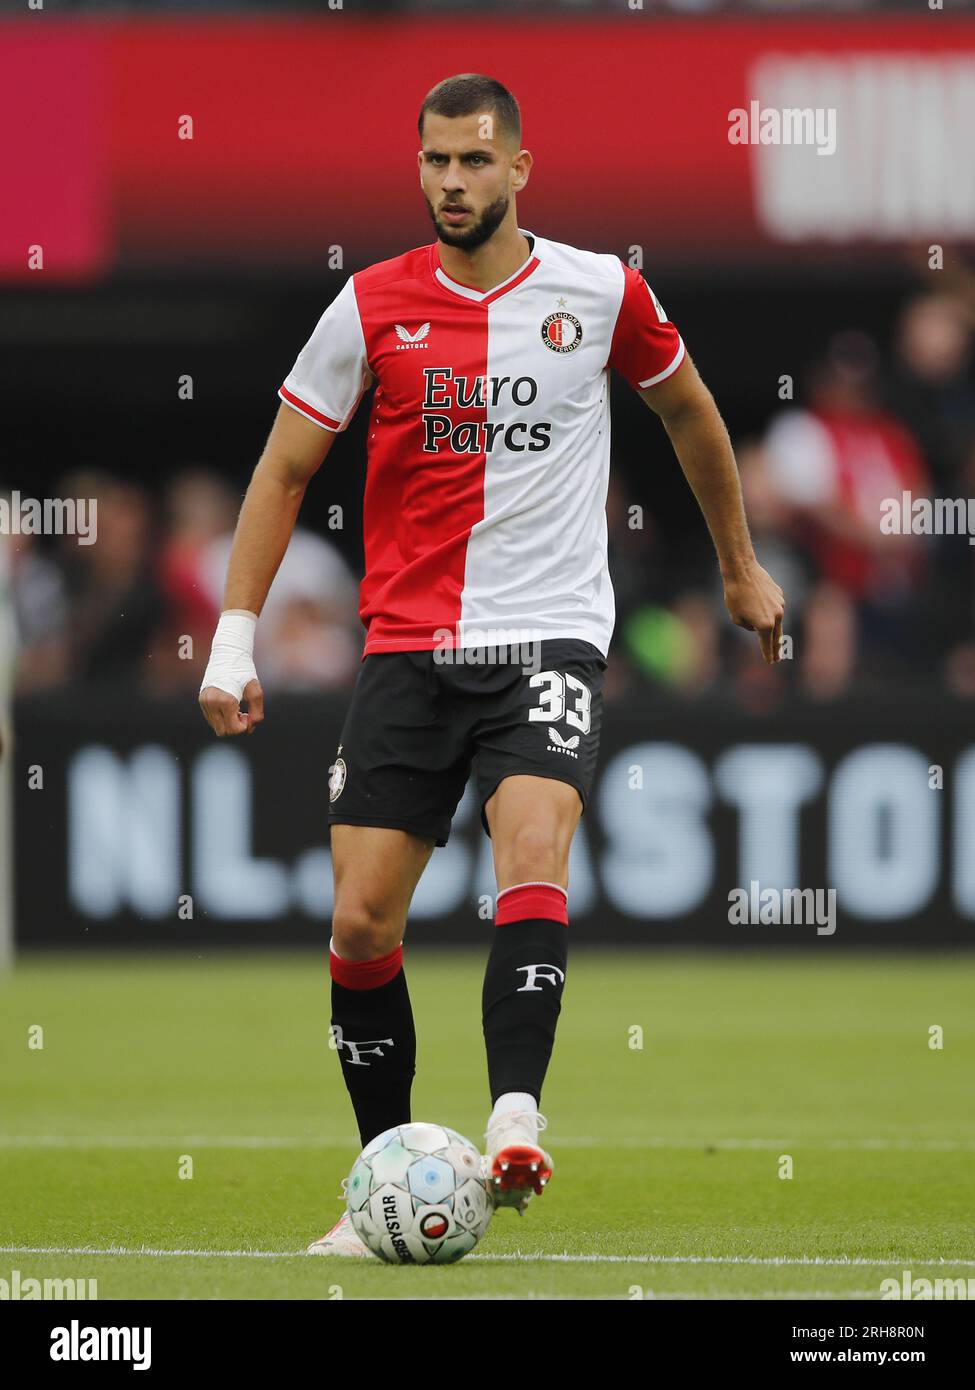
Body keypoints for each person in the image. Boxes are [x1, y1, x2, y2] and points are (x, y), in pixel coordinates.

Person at [198, 73, 784, 1257]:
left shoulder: (601, 290)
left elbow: (693, 415)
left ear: (521, 168)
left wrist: (738, 568)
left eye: (474, 162)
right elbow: (278, 473)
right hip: (409, 646)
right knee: (362, 922)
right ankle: (381, 1184)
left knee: (533, 845)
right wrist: (232, 637)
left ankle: (516, 1108)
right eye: (435, 163)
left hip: (549, 632)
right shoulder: (368, 306)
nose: (453, 183)